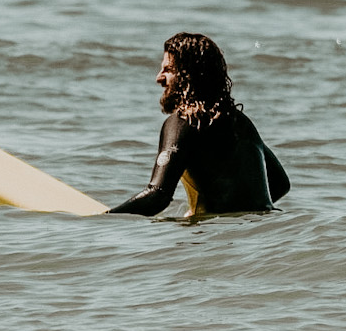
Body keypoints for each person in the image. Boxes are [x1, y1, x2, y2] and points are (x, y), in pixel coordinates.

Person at [108, 32, 289, 218]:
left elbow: (157, 196)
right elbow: (280, 184)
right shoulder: (240, 122)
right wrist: (239, 212)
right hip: (263, 230)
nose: (159, 78)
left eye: (168, 70)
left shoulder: (183, 122)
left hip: (218, 234)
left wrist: (106, 217)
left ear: (188, 75)